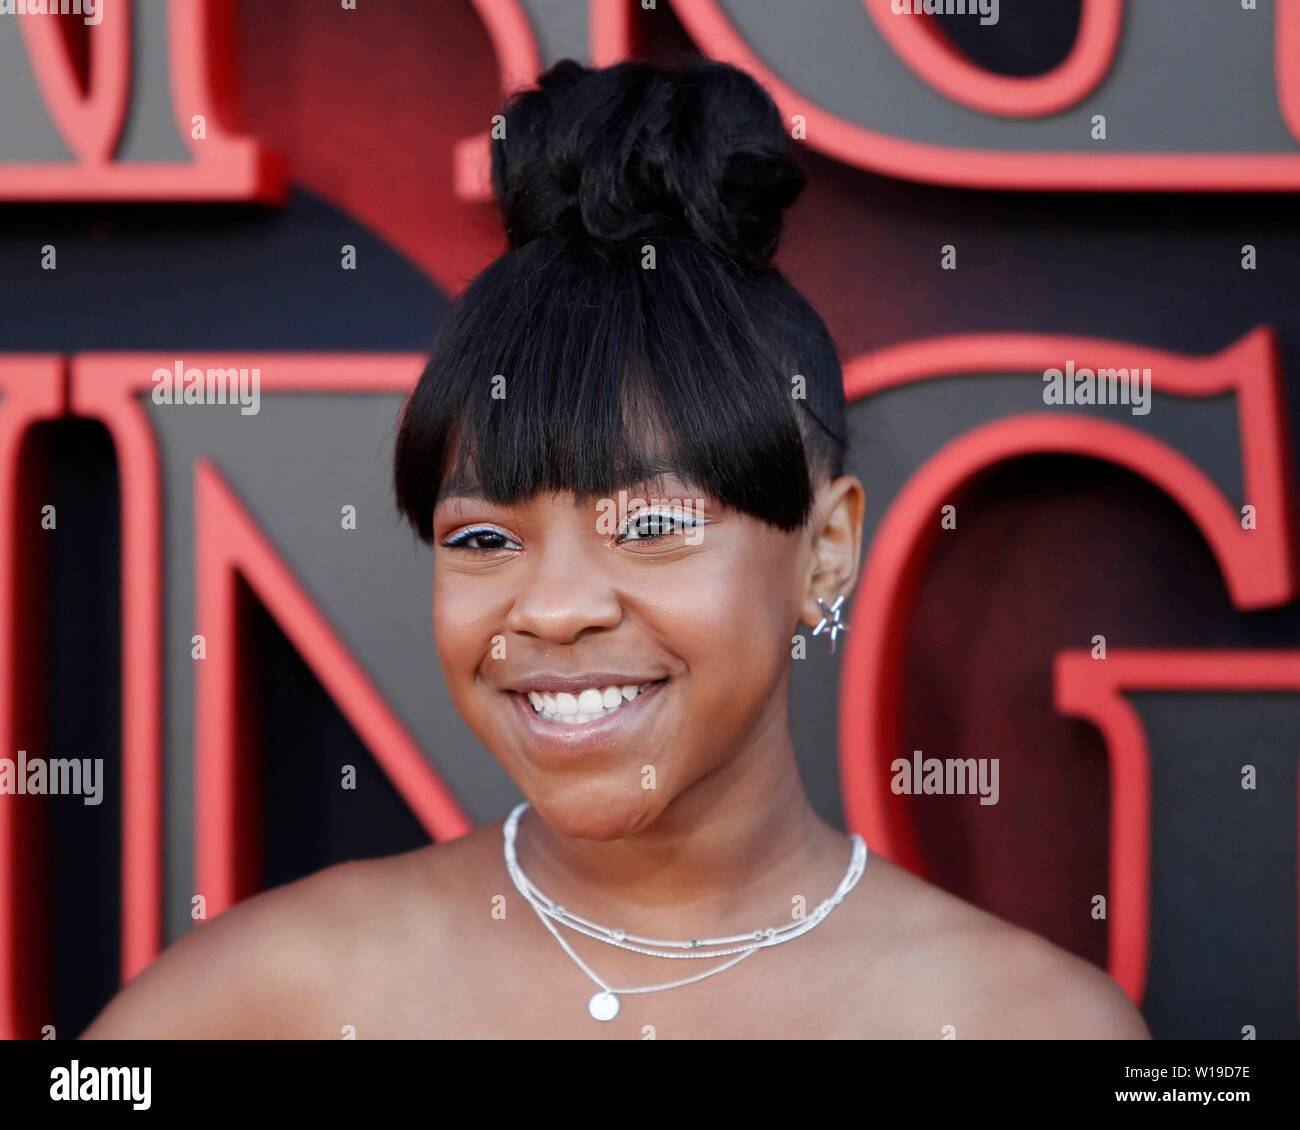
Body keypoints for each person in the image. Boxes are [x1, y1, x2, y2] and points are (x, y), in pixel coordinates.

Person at [81, 57, 1150, 1040]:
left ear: (825, 549)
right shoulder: (276, 998)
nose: (552, 608)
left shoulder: (1027, 1021)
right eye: (486, 535)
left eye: (649, 525)